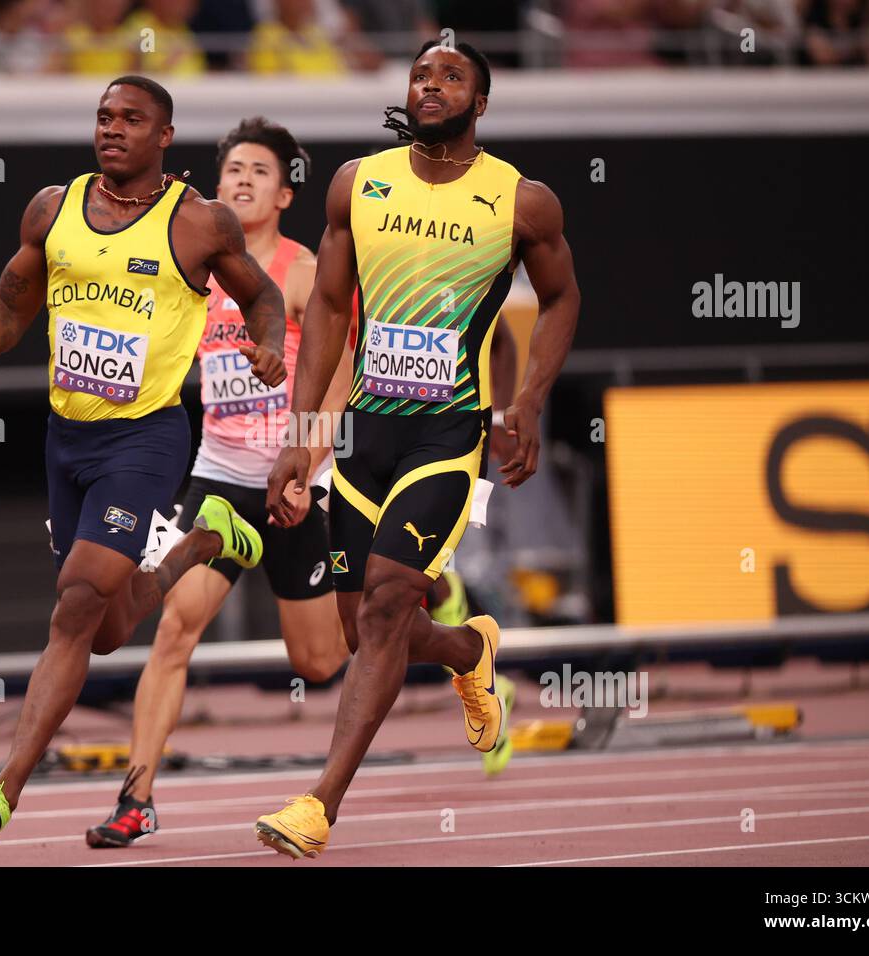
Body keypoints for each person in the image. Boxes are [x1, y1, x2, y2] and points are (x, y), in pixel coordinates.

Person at [0, 75, 288, 846]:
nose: (113, 128)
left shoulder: (199, 224)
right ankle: (206, 540)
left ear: (164, 136)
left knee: (74, 603)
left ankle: (4, 791)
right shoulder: (51, 208)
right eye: (104, 116)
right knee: (102, 628)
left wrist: (266, 342)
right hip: (67, 441)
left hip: (146, 439)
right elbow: (13, 300)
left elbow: (264, 295)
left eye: (132, 118)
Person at [257, 40, 581, 858]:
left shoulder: (520, 202)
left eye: (451, 77)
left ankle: (319, 803)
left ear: (481, 102)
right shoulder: (358, 184)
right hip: (366, 429)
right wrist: (303, 436)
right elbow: (328, 308)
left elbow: (561, 298)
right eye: (420, 75)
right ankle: (471, 648)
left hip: (447, 433)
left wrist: (528, 403)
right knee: (365, 632)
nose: (430, 86)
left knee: (388, 601)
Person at [85, 116, 351, 848]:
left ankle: (436, 615)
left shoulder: (302, 274)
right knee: (173, 629)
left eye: (259, 171)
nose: (240, 179)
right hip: (220, 480)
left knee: (320, 660)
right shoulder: (196, 273)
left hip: (295, 479)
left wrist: (306, 468)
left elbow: (340, 383)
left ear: (287, 194)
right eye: (232, 168)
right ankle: (135, 801)